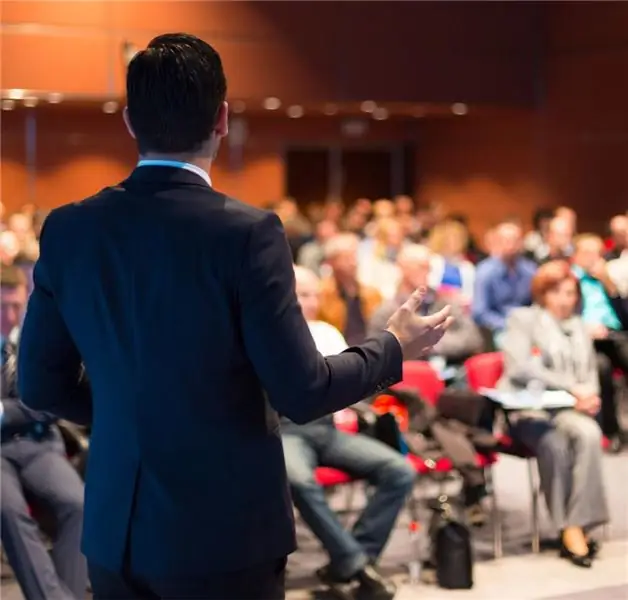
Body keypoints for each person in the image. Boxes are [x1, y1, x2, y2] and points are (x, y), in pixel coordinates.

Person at [17, 34, 452, 600]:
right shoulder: (246, 234)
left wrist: (137, 412)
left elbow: (39, 384)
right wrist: (392, 345)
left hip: (115, 533)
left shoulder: (70, 228)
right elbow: (302, 390)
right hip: (223, 535)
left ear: (129, 122)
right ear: (222, 118)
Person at [284, 266, 415, 599]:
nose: (309, 302)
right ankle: (356, 566)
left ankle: (353, 561)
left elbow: (352, 384)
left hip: (325, 429)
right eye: (301, 293)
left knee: (399, 469)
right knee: (299, 480)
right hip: (287, 431)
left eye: (313, 294)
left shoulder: (326, 332)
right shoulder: (271, 335)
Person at [498, 261, 609, 568]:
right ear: (543, 293)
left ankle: (574, 525)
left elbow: (589, 374)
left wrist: (588, 395)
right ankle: (571, 529)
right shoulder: (523, 320)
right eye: (559, 292)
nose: (566, 300)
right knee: (556, 445)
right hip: (529, 410)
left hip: (569, 410)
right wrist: (572, 388)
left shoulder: (578, 325)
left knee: (588, 434)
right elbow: (519, 366)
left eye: (572, 293)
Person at [1, 265, 87, 599]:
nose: (9, 315)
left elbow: (48, 402)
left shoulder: (38, 336)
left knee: (77, 505)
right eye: (2, 306)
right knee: (8, 511)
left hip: (39, 444)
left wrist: (4, 411)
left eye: (15, 306)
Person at [472, 221, 537, 348]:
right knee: (514, 345)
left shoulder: (531, 270)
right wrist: (508, 324)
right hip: (499, 328)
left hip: (528, 325)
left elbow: (537, 303)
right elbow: (479, 312)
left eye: (515, 240)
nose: (511, 245)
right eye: (506, 240)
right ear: (497, 242)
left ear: (521, 243)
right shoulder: (484, 271)